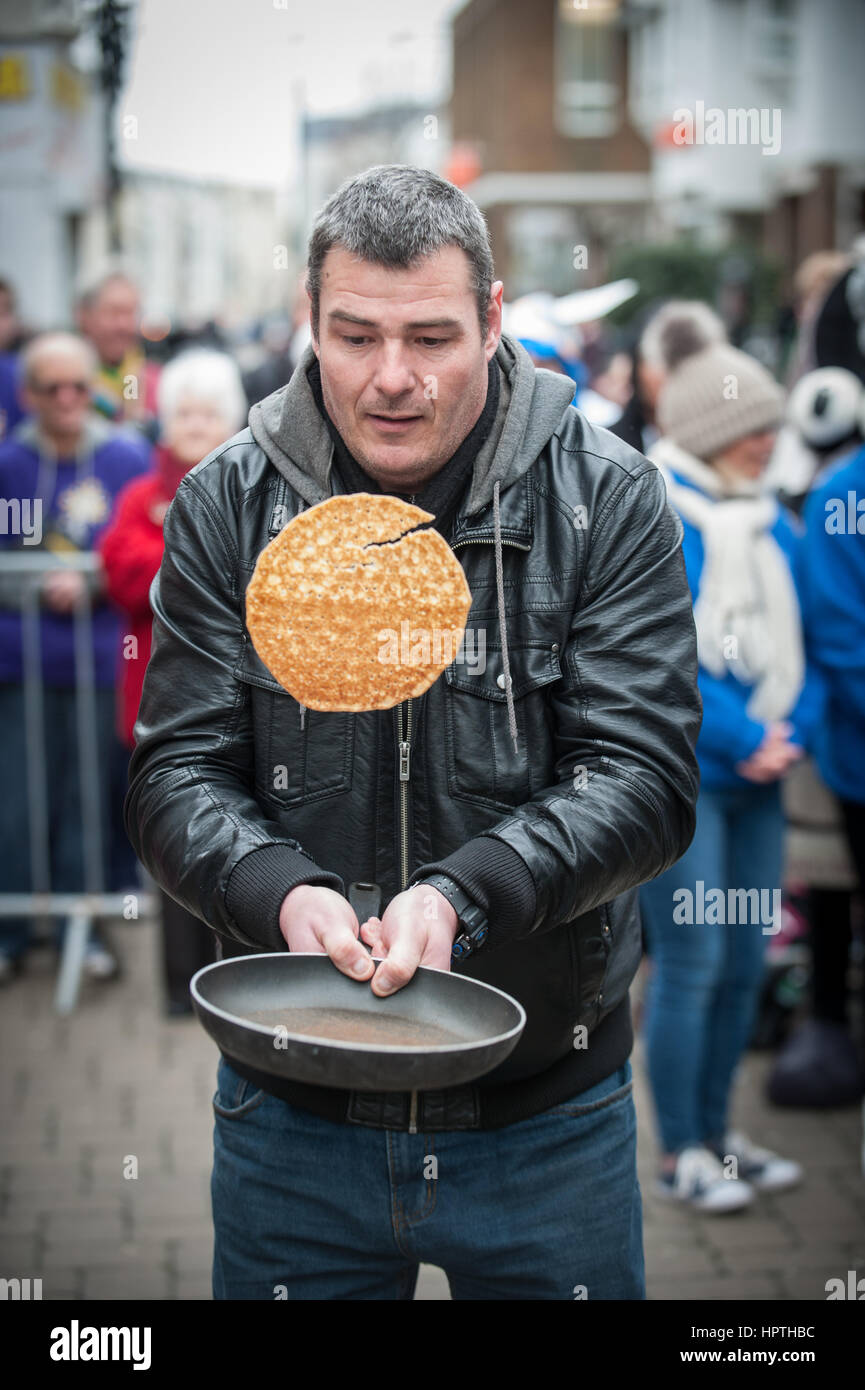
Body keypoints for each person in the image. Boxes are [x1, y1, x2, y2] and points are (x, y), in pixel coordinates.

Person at [125, 164, 701, 1301]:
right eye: (355, 336)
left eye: (432, 337)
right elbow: (175, 770)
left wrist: (465, 893)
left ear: (491, 318)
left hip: (545, 1112)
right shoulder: (226, 504)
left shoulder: (607, 499)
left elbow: (643, 775)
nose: (392, 377)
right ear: (309, 318)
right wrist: (277, 890)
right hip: (292, 1113)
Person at [641, 327, 822, 1212]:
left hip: (761, 783)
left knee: (746, 961)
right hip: (689, 786)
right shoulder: (660, 516)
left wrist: (792, 729)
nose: (766, 441)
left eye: (770, 426)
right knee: (693, 962)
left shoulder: (768, 518)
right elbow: (659, 658)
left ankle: (720, 1139)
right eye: (751, 426)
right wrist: (745, 734)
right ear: (708, 430)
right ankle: (679, 1152)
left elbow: (811, 643)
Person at [100, 349, 247, 1014]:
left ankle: (240, 975)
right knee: (173, 838)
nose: (195, 424)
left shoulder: (247, 491)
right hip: (159, 695)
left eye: (208, 413)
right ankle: (181, 986)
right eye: (184, 412)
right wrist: (198, 561)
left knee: (240, 835)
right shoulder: (141, 495)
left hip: (238, 695)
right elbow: (123, 572)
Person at [0, 332, 149, 982]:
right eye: (50, 387)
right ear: (28, 394)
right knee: (17, 799)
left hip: (99, 659)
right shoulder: (10, 464)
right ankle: (12, 931)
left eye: (77, 387)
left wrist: (90, 583)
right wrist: (37, 585)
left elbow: (141, 549)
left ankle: (81, 930)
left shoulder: (125, 456)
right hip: (20, 663)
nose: (66, 399)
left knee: (88, 800)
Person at [76, 272, 161, 439]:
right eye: (113, 313)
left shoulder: (154, 380)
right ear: (84, 316)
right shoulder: (62, 380)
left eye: (130, 313)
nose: (123, 325)